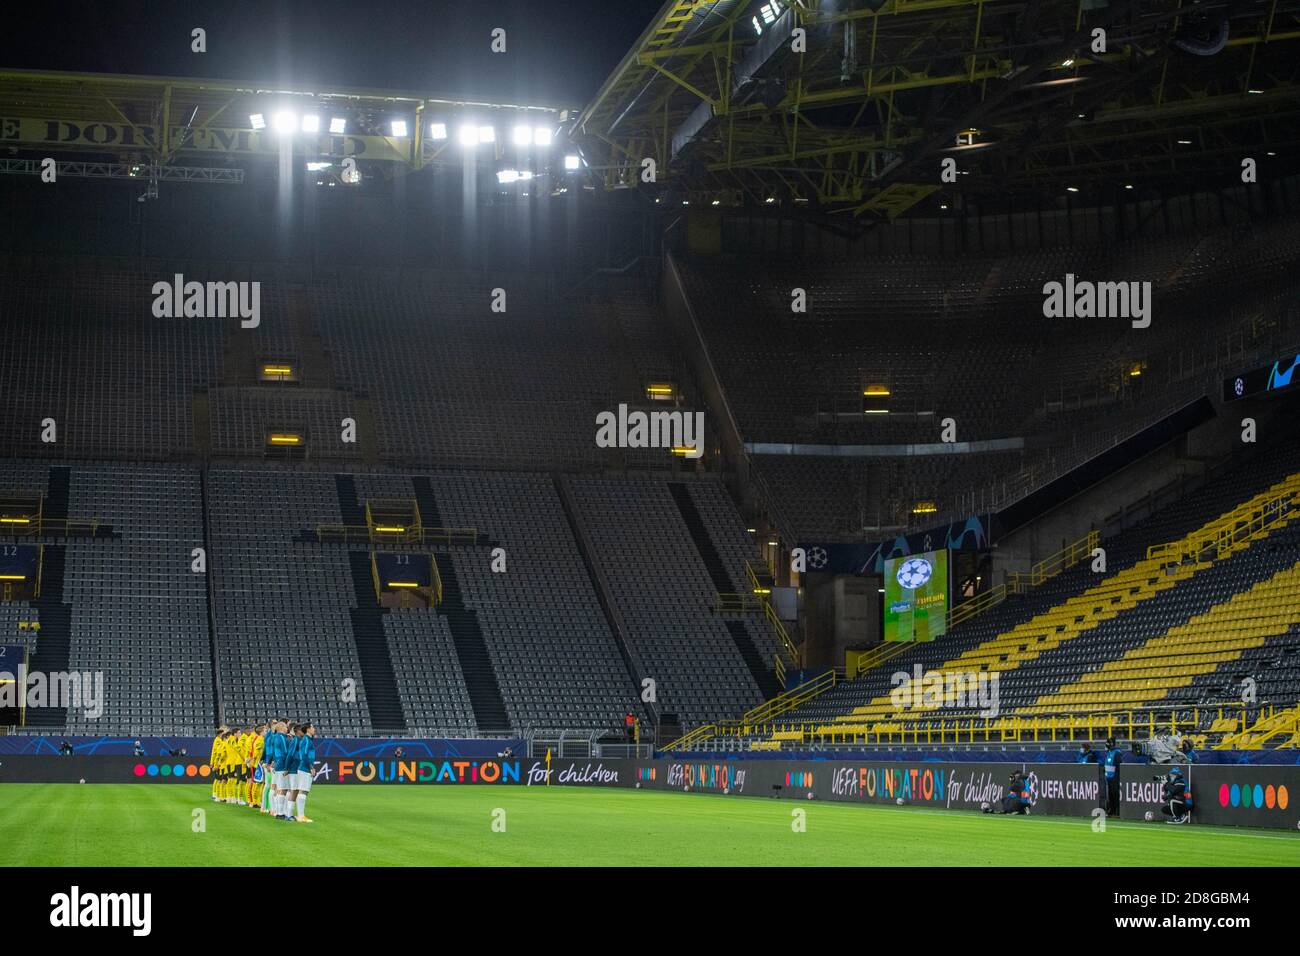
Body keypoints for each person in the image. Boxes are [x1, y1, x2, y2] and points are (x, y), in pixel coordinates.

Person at [292, 722, 317, 824]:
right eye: (313, 727)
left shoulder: (307, 740)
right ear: (308, 729)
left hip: (305, 768)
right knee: (303, 791)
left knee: (304, 791)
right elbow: (304, 755)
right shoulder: (306, 740)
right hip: (304, 768)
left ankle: (301, 815)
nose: (314, 729)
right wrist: (311, 767)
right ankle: (301, 816)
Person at [1103, 737, 1122, 816]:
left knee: (1115, 795)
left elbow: (1118, 766)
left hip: (1115, 778)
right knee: (1110, 795)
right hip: (1109, 778)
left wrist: (1116, 777)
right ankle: (1111, 810)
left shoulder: (1117, 753)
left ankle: (1117, 811)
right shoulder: (1109, 753)